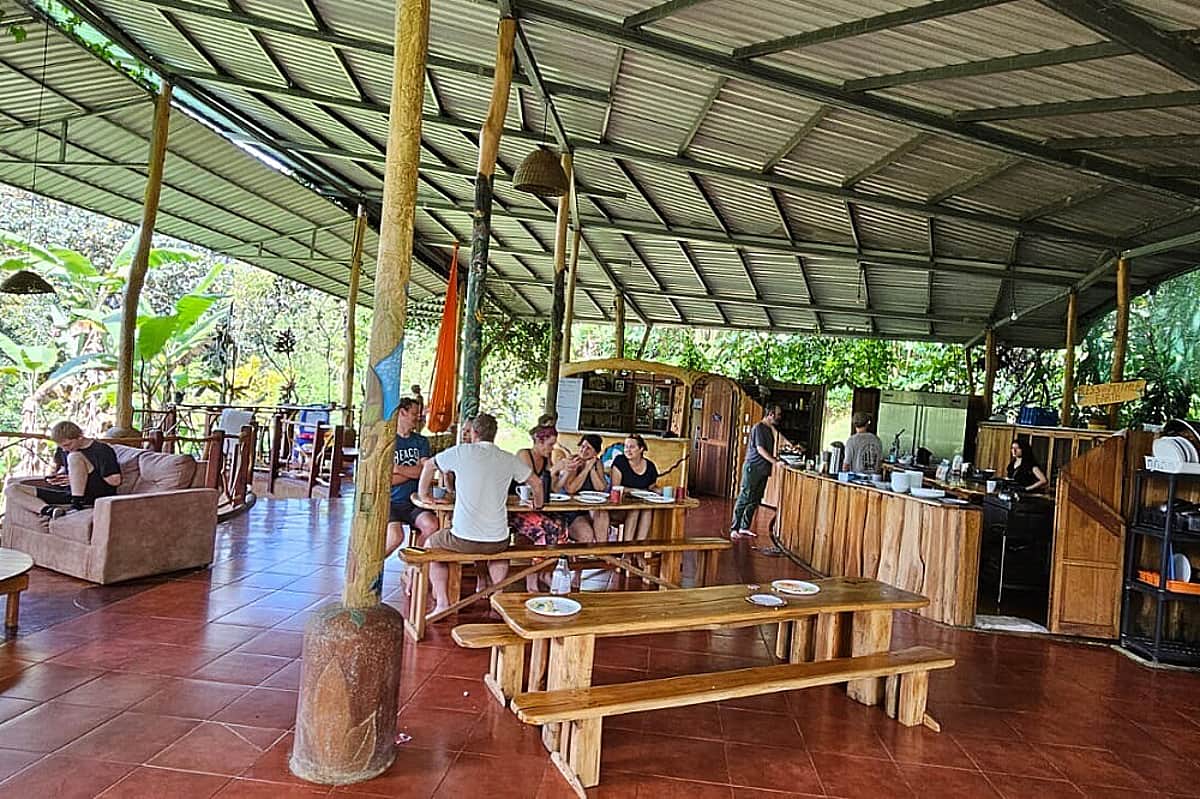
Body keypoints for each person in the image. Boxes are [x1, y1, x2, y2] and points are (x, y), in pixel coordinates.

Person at [416, 413, 543, 615]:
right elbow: (536, 482)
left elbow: (430, 465)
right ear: (494, 434)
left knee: (432, 546)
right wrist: (538, 504)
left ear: (474, 432)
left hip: (462, 539)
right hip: (498, 541)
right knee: (497, 552)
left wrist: (424, 495)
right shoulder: (507, 458)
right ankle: (497, 598)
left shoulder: (461, 452)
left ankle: (442, 602)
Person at [9, 421, 121, 518]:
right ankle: (50, 511)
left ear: (80, 436)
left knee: (74, 456)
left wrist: (79, 477)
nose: (65, 449)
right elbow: (63, 469)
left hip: (93, 495)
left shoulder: (102, 450)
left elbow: (115, 481)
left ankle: (77, 504)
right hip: (67, 494)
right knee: (12, 488)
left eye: (68, 445)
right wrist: (57, 477)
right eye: (61, 446)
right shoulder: (63, 449)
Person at [385, 398, 438, 556]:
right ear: (402, 413)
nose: (419, 417)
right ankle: (371, 571)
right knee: (395, 537)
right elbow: (387, 481)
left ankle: (413, 566)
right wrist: (415, 472)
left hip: (415, 501)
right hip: (391, 501)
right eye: (415, 414)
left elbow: (425, 470)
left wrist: (398, 469)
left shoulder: (421, 441)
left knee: (431, 526)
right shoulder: (389, 441)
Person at [731, 404, 792, 539]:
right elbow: (760, 449)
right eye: (778, 415)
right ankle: (734, 528)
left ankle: (744, 527)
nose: (779, 418)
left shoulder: (770, 429)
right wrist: (776, 462)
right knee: (745, 497)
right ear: (770, 414)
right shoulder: (758, 428)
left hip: (763, 470)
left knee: (755, 500)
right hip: (753, 468)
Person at [610, 434, 659, 541]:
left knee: (647, 510)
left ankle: (638, 552)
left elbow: (652, 487)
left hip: (641, 505)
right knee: (635, 510)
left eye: (632, 447)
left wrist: (661, 491)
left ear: (641, 449)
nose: (627, 450)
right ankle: (627, 552)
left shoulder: (650, 466)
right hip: (620, 505)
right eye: (626, 447)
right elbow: (616, 488)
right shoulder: (620, 461)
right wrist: (637, 491)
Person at [560, 433, 608, 542]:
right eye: (582, 446)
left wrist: (591, 469)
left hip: (588, 509)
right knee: (587, 536)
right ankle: (574, 557)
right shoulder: (574, 461)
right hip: (570, 510)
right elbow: (571, 489)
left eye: (589, 448)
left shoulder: (597, 463)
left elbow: (601, 488)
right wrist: (585, 469)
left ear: (596, 452)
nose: (584, 450)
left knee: (603, 515)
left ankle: (601, 553)